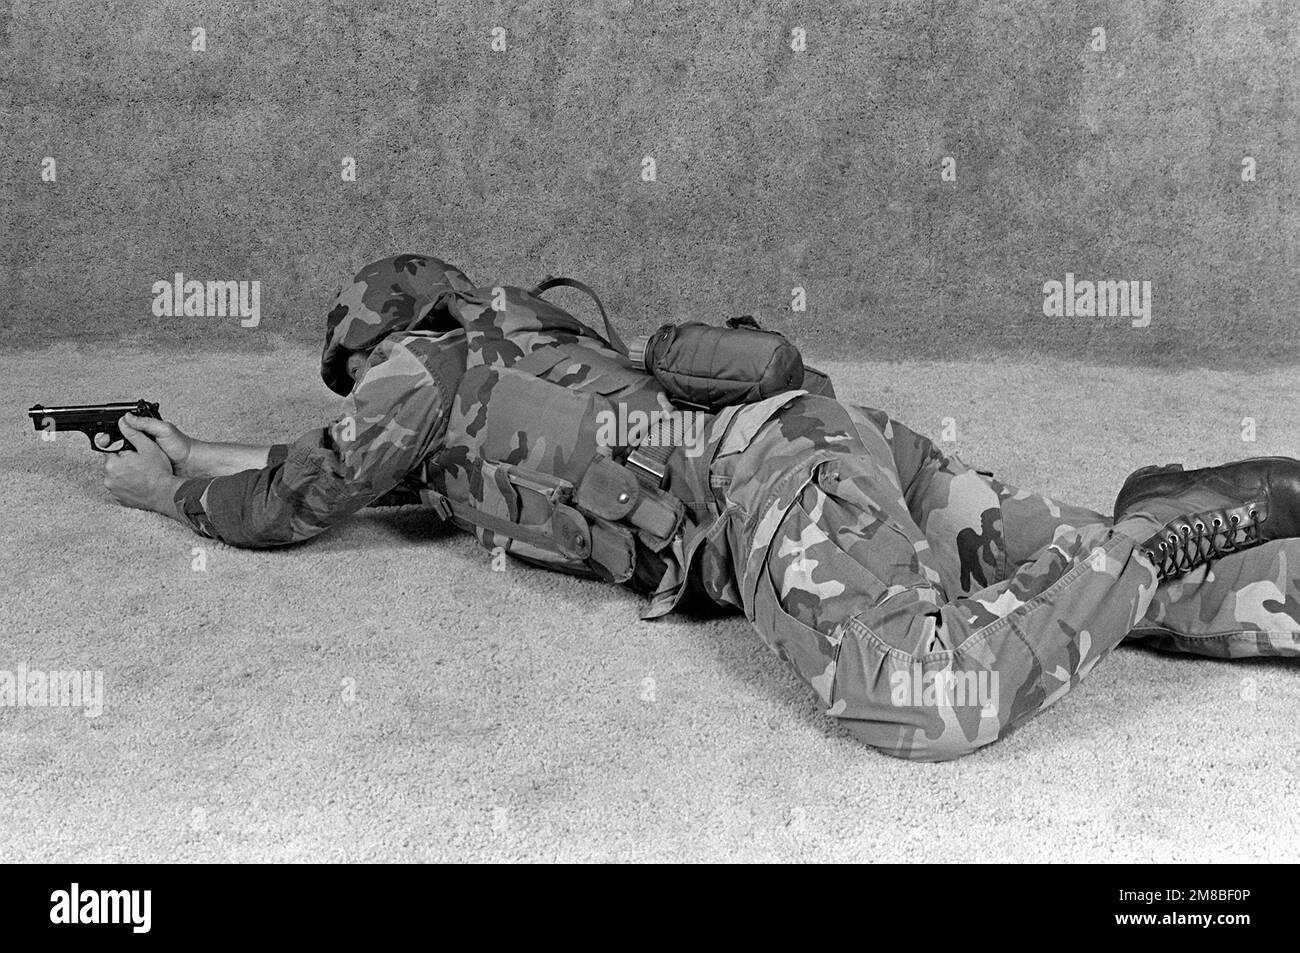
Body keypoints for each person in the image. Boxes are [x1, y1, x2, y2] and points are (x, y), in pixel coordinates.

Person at [99, 254, 1300, 760]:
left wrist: (179, 497)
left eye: (353, 377)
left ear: (381, 341)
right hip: (843, 448)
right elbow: (356, 463)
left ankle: (1148, 537)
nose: (359, 399)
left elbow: (305, 492)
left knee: (923, 692)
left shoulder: (426, 376)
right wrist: (197, 441)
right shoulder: (511, 359)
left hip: (769, 484)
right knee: (1104, 576)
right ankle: (1204, 547)